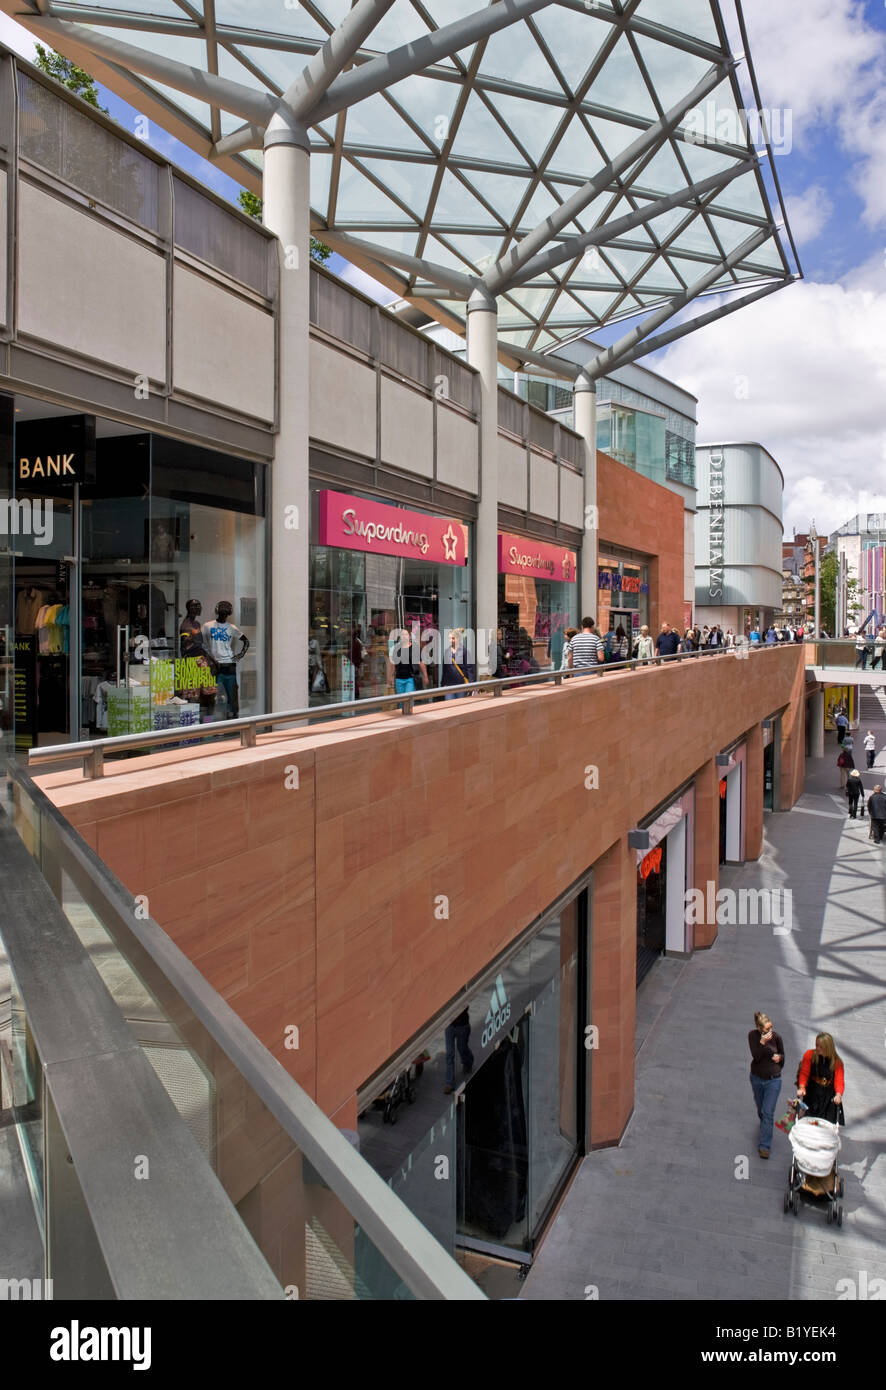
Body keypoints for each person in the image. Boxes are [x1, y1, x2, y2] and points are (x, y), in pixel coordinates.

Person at [748, 1010, 784, 1158]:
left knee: (768, 1112)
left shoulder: (777, 1037)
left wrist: (779, 1059)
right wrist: (762, 1043)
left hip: (773, 1079)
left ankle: (764, 1146)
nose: (770, 1031)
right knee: (761, 1109)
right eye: (767, 1029)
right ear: (759, 1028)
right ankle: (765, 1125)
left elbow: (783, 1056)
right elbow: (756, 1056)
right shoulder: (753, 1036)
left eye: (771, 1027)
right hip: (757, 1077)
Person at [796, 1033, 844, 1125]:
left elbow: (839, 1081)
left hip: (828, 1096)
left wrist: (838, 1095)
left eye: (820, 1046)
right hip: (812, 1092)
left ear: (828, 1047)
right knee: (809, 1122)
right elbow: (804, 1073)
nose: (817, 1048)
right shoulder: (810, 1055)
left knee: (825, 1124)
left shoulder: (837, 1062)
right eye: (816, 1045)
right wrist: (802, 1087)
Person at [387, 626, 428, 694]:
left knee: (408, 699)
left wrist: (425, 676)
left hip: (410, 679)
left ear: (409, 636)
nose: (404, 636)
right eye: (402, 634)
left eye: (406, 634)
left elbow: (421, 663)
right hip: (399, 679)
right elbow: (393, 664)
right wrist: (390, 677)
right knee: (400, 701)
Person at [443, 1007, 473, 1094]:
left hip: (462, 1026)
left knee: (462, 1049)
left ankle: (469, 1062)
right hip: (449, 1026)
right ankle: (449, 1083)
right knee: (449, 1054)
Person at [441, 628, 476, 699]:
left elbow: (469, 669)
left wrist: (471, 684)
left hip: (461, 685)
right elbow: (445, 669)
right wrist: (443, 683)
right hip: (449, 685)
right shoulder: (447, 652)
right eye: (450, 638)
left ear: (458, 639)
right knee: (449, 705)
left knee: (460, 706)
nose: (451, 640)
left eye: (453, 638)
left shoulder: (464, 651)